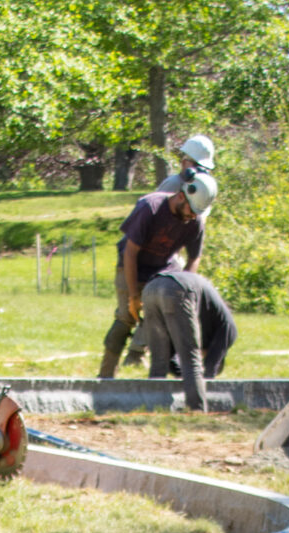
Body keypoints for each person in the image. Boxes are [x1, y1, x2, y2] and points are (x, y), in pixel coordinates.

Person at [100, 172, 218, 379]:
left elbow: (194, 258)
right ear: (181, 196)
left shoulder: (195, 221)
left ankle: (156, 376)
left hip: (163, 271)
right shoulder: (150, 207)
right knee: (126, 318)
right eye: (191, 210)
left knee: (164, 318)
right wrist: (133, 296)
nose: (193, 217)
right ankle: (105, 377)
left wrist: (184, 287)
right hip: (132, 266)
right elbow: (130, 253)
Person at [124, 136, 217, 371]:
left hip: (172, 254)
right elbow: (157, 221)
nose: (200, 171)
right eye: (197, 166)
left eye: (204, 168)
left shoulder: (204, 187)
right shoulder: (173, 184)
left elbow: (195, 230)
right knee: (148, 303)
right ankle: (137, 351)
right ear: (185, 162)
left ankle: (162, 355)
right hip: (156, 253)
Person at [141, 267, 238, 412]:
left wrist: (182, 375)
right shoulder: (227, 330)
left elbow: (170, 360)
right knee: (192, 361)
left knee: (158, 361)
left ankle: (152, 409)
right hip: (178, 289)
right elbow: (209, 369)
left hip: (151, 289)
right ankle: (197, 410)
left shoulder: (207, 316)